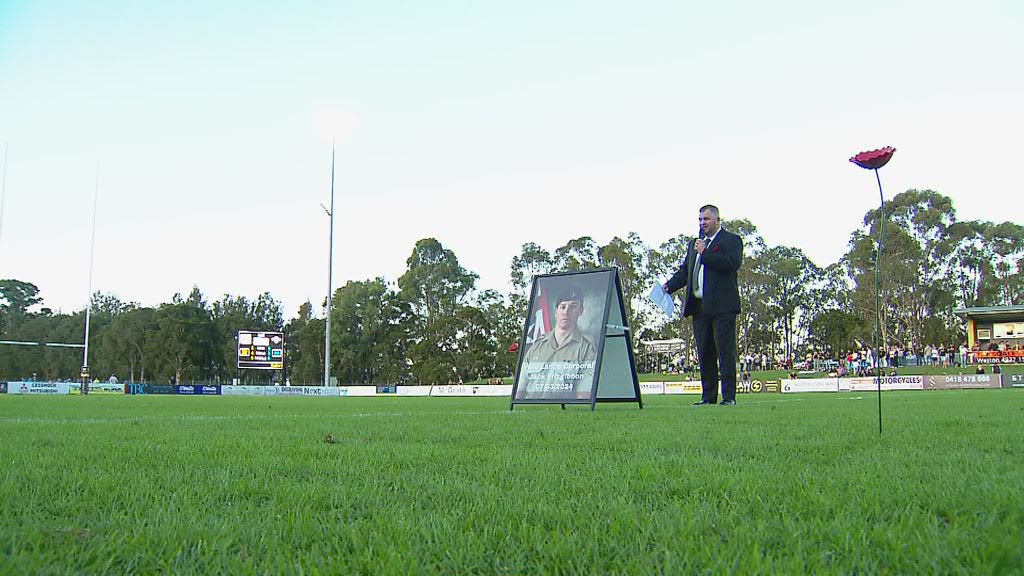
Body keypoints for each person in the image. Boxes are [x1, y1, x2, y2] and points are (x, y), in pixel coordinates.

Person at [664, 204, 744, 406]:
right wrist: (669, 286)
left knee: (725, 352)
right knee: (705, 352)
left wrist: (705, 253)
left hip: (723, 306)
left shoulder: (731, 240)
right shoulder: (694, 245)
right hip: (700, 307)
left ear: (717, 220)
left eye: (706, 219)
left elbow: (732, 263)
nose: (702, 223)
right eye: (700, 220)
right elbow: (685, 272)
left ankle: (728, 397)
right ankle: (708, 396)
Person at [519, 286, 598, 398]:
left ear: (581, 311)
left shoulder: (587, 348)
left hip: (562, 412)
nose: (566, 312)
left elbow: (583, 396)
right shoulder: (536, 347)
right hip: (531, 411)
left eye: (573, 307)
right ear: (556, 312)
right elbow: (520, 389)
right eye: (563, 307)